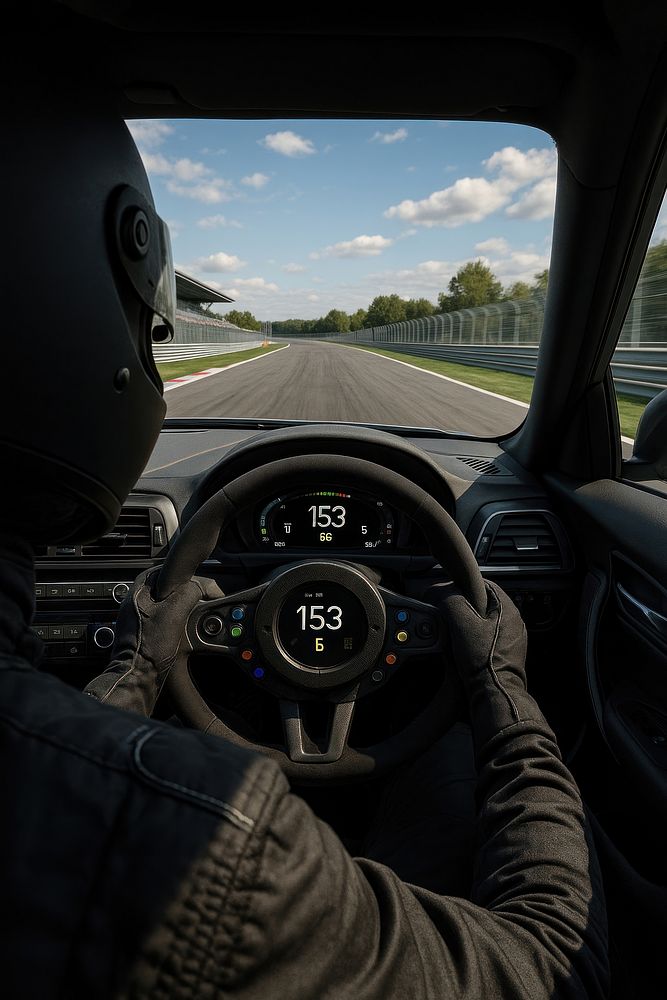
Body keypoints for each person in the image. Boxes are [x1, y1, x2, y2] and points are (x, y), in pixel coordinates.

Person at [0, 100, 608, 999]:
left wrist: (137, 669)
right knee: (442, 762)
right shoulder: (221, 846)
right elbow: (551, 962)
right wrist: (504, 692)